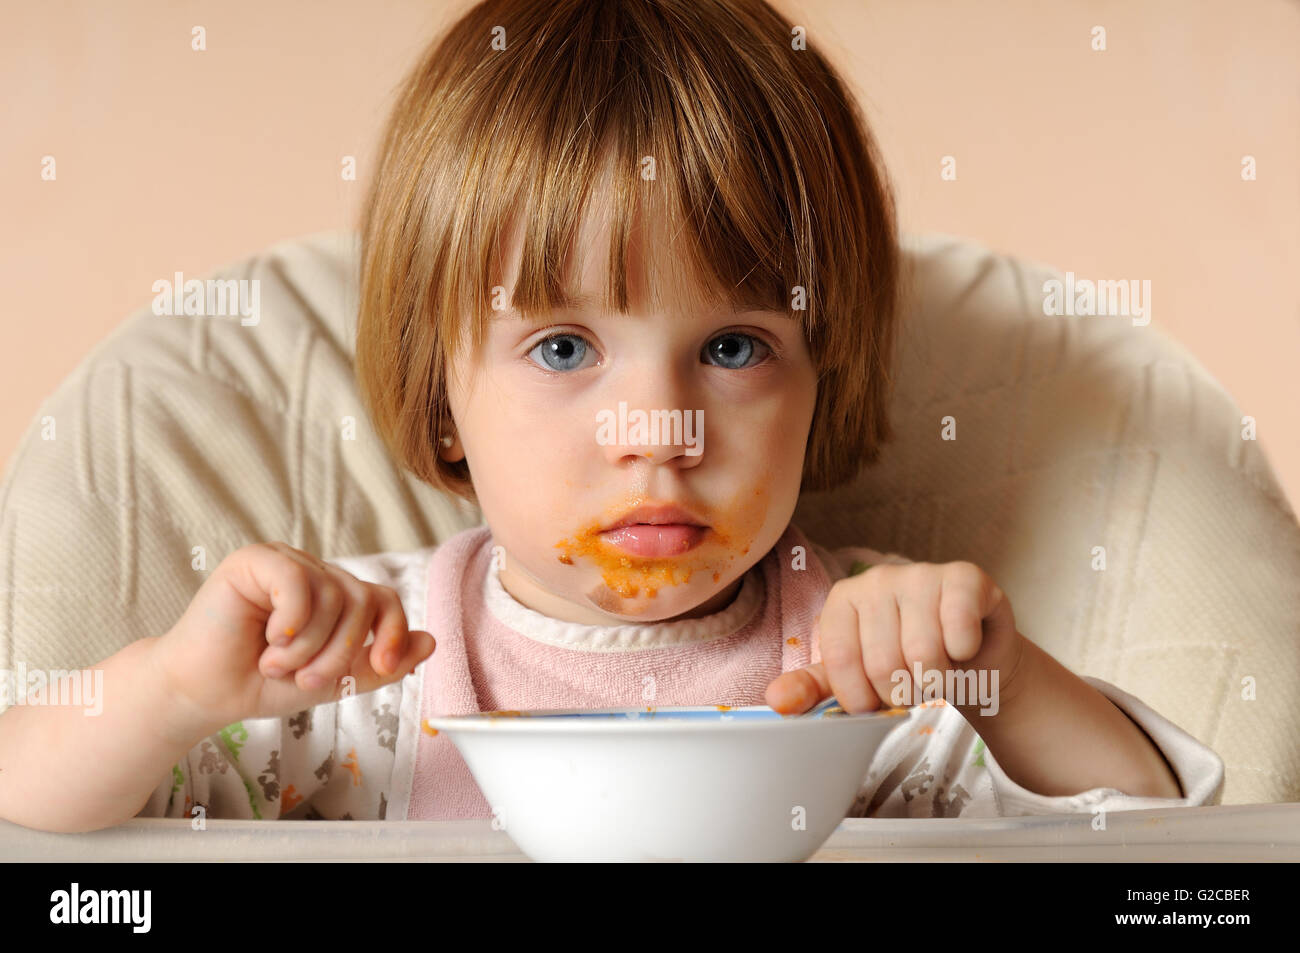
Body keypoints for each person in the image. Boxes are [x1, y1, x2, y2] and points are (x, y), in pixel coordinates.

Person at [0, 0, 1222, 832]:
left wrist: (995, 671)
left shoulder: (874, 670)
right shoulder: (356, 675)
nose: (659, 431)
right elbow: (27, 807)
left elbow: (1163, 846)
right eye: (565, 346)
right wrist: (172, 689)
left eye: (734, 346)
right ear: (441, 397)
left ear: (822, 382)